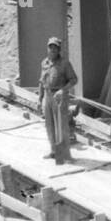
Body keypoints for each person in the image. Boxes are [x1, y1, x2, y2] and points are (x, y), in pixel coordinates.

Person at [37, 37, 78, 165]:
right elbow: (41, 82)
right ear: (47, 48)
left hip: (59, 96)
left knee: (62, 126)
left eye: (55, 47)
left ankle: (66, 155)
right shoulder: (44, 63)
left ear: (59, 49)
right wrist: (39, 99)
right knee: (49, 125)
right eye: (50, 47)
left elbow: (74, 80)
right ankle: (54, 151)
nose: (52, 50)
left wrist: (63, 90)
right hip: (48, 96)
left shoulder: (65, 63)